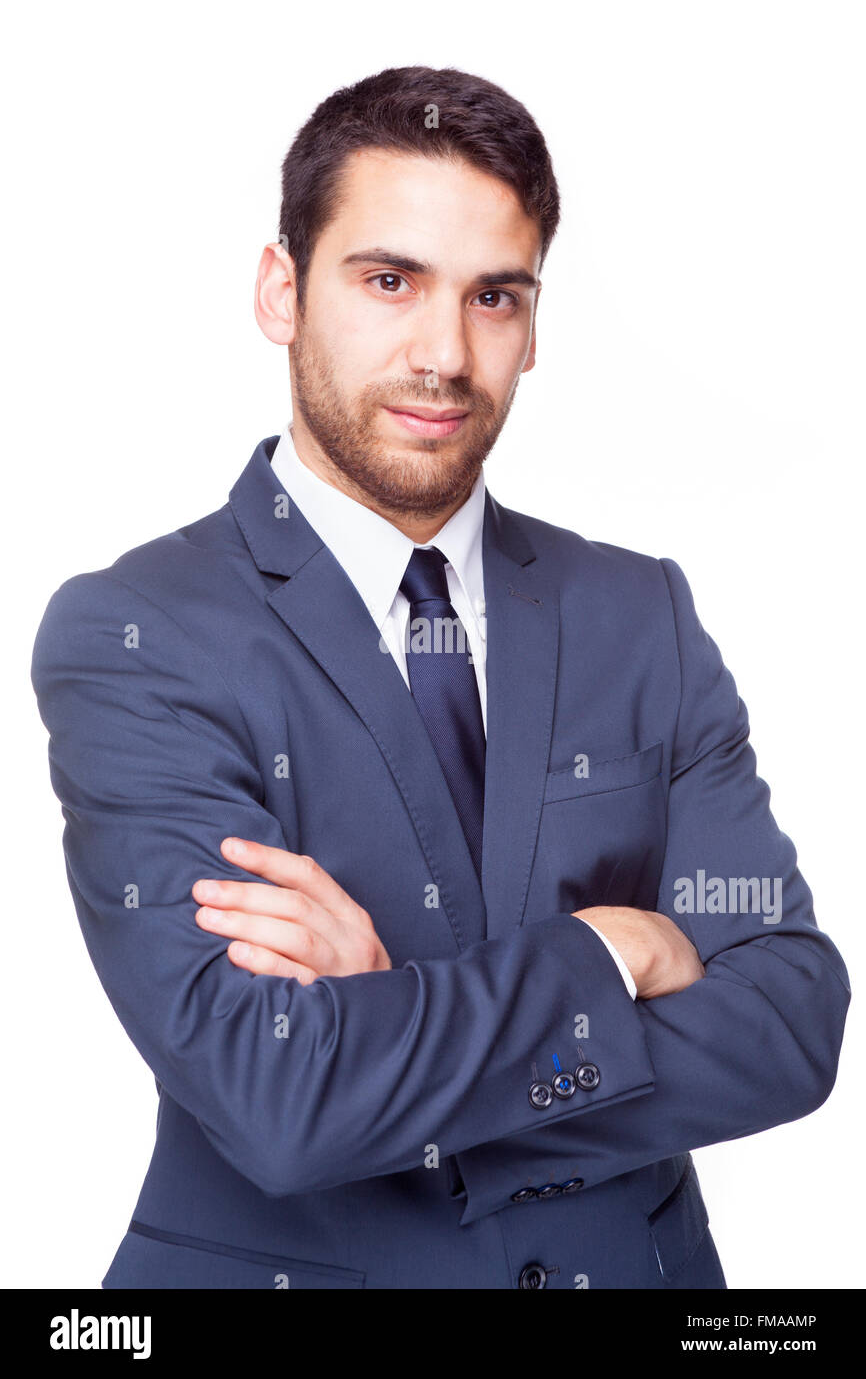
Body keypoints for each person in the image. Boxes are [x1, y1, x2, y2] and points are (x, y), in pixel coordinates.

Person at [31, 64, 849, 1290]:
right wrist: (610, 954)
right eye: (387, 280)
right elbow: (279, 1098)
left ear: (532, 324)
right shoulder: (136, 634)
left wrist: (395, 1014)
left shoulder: (640, 615)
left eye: (494, 297)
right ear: (281, 290)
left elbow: (787, 1018)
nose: (443, 353)